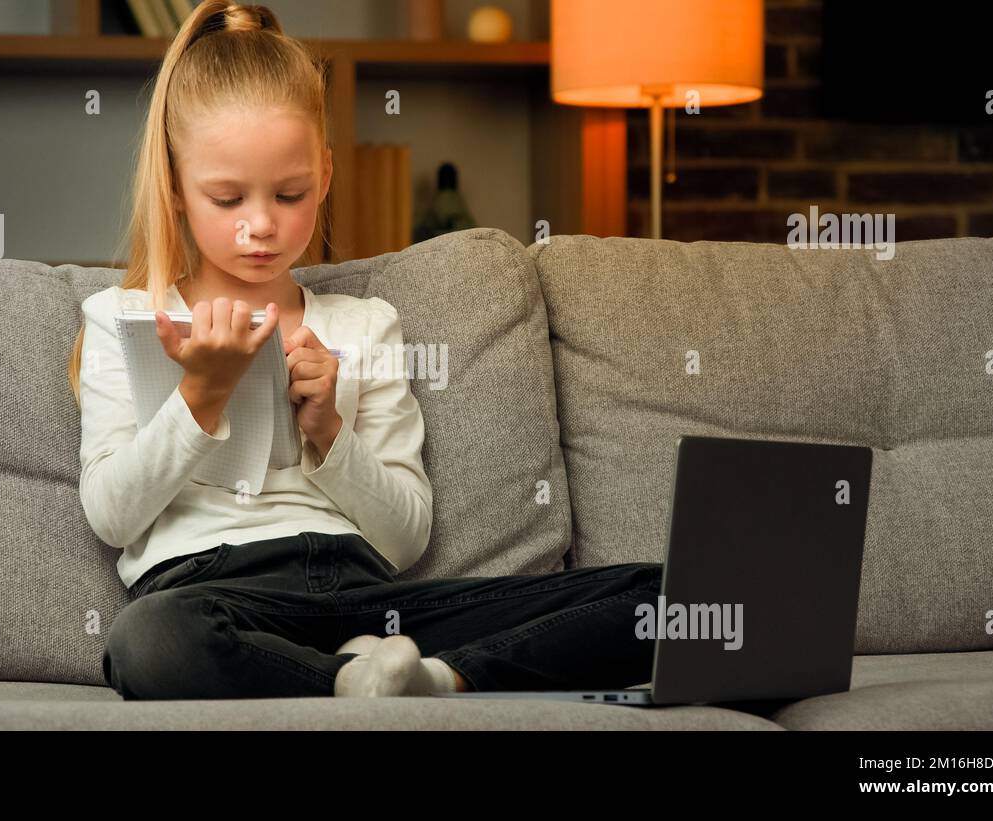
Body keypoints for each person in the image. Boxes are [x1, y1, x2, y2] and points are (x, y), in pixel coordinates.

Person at [66, 0, 663, 700]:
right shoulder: (123, 319)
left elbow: (405, 537)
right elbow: (111, 514)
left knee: (663, 597)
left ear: (322, 176)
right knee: (148, 640)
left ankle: (431, 676)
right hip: (211, 598)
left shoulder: (364, 324)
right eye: (227, 199)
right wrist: (199, 397)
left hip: (363, 601)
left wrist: (329, 432)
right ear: (174, 188)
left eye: (289, 194)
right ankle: (353, 680)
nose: (261, 225)